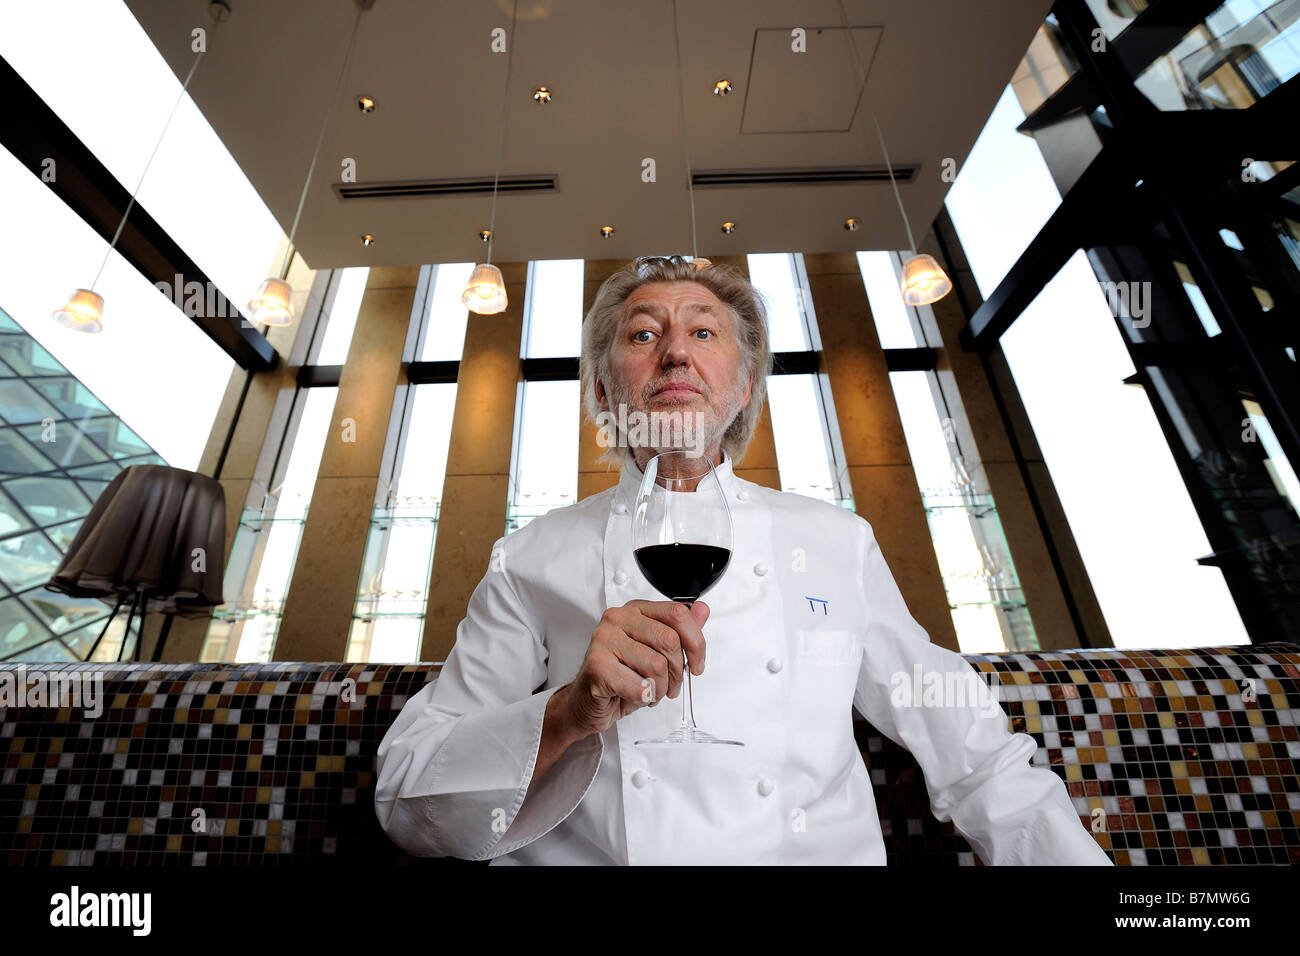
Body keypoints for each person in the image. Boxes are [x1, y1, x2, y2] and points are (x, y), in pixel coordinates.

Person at [374, 254, 1113, 865]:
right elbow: (408, 797)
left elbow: (973, 753)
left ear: (744, 387)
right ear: (603, 390)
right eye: (642, 335)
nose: (675, 351)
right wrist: (569, 714)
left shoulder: (834, 543)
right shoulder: (529, 557)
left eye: (704, 330)